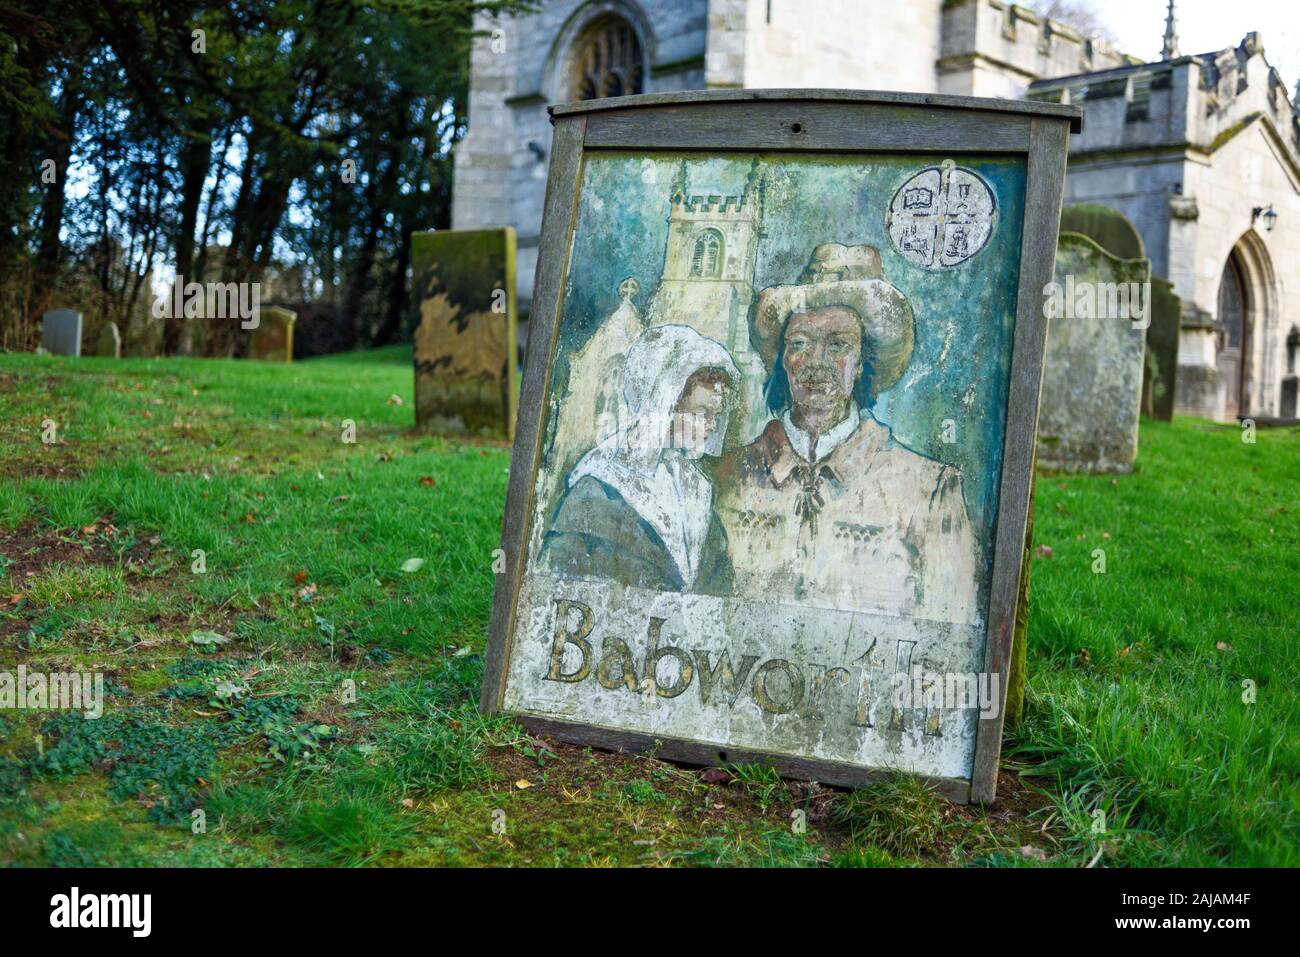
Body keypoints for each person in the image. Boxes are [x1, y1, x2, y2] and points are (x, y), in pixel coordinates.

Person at [714, 243, 981, 625]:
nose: (817, 362)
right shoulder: (725, 477)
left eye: (838, 344)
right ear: (783, 360)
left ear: (860, 363)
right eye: (800, 344)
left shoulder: (929, 490)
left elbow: (948, 635)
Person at [540, 324, 740, 594]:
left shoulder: (694, 485)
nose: (712, 426)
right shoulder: (600, 480)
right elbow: (565, 572)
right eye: (702, 412)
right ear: (666, 404)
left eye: (716, 415)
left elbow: (716, 576)